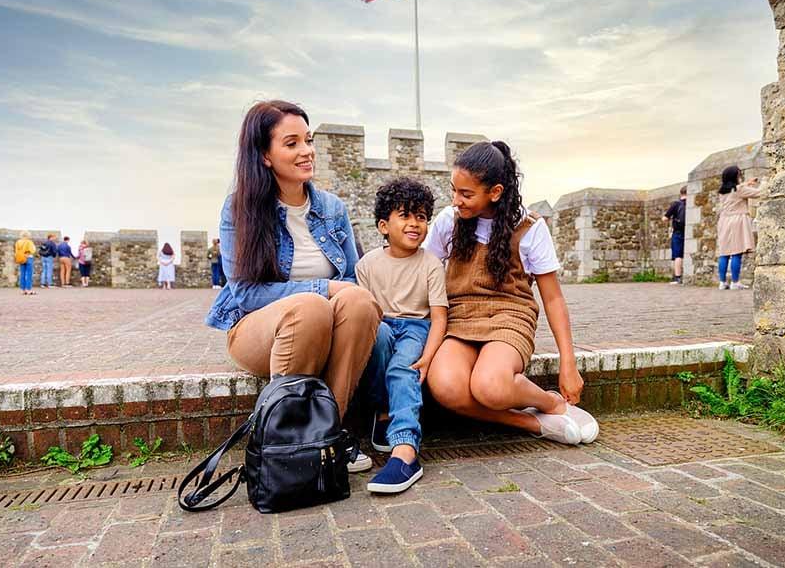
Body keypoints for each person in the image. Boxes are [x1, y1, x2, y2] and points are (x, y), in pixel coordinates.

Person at [205, 100, 380, 474]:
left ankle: (325, 435)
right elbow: (246, 295)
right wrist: (322, 289)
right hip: (257, 329)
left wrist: (334, 292)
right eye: (291, 143)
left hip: (326, 328)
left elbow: (349, 278)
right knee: (311, 305)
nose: (306, 151)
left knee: (361, 301)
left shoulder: (332, 208)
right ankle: (286, 440)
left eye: (308, 140)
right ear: (265, 156)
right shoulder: (240, 209)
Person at [423, 141, 599, 445]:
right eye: (454, 191)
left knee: (490, 386)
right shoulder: (448, 222)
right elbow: (423, 273)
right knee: (446, 387)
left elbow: (553, 298)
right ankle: (531, 423)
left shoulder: (529, 227)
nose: (456, 201)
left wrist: (568, 363)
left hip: (509, 317)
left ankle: (551, 403)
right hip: (459, 318)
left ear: (495, 192)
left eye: (466, 194)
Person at [357, 177, 448, 494]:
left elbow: (438, 318)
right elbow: (365, 313)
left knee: (401, 368)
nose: (415, 223)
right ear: (384, 225)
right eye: (405, 215)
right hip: (380, 323)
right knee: (379, 339)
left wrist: (428, 356)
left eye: (421, 217)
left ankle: (406, 450)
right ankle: (381, 412)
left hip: (416, 327)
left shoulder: (431, 264)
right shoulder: (368, 264)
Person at [716, 165, 762, 290]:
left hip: (724, 221)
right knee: (737, 251)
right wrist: (765, 183)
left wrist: (748, 183)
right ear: (735, 176)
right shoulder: (739, 190)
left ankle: (722, 282)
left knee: (724, 253)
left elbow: (738, 188)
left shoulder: (722, 191)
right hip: (737, 220)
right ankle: (735, 282)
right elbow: (759, 193)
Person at [663, 186, 687, 285]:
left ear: (681, 193)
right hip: (689, 231)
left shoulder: (676, 204)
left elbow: (664, 218)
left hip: (678, 232)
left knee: (678, 255)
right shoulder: (691, 203)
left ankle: (678, 278)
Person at [14, 231, 36, 295]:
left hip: (21, 258)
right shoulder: (29, 242)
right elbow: (32, 250)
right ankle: (28, 289)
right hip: (28, 257)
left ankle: (23, 290)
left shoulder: (18, 242)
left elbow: (16, 251)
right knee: (29, 274)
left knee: (22, 274)